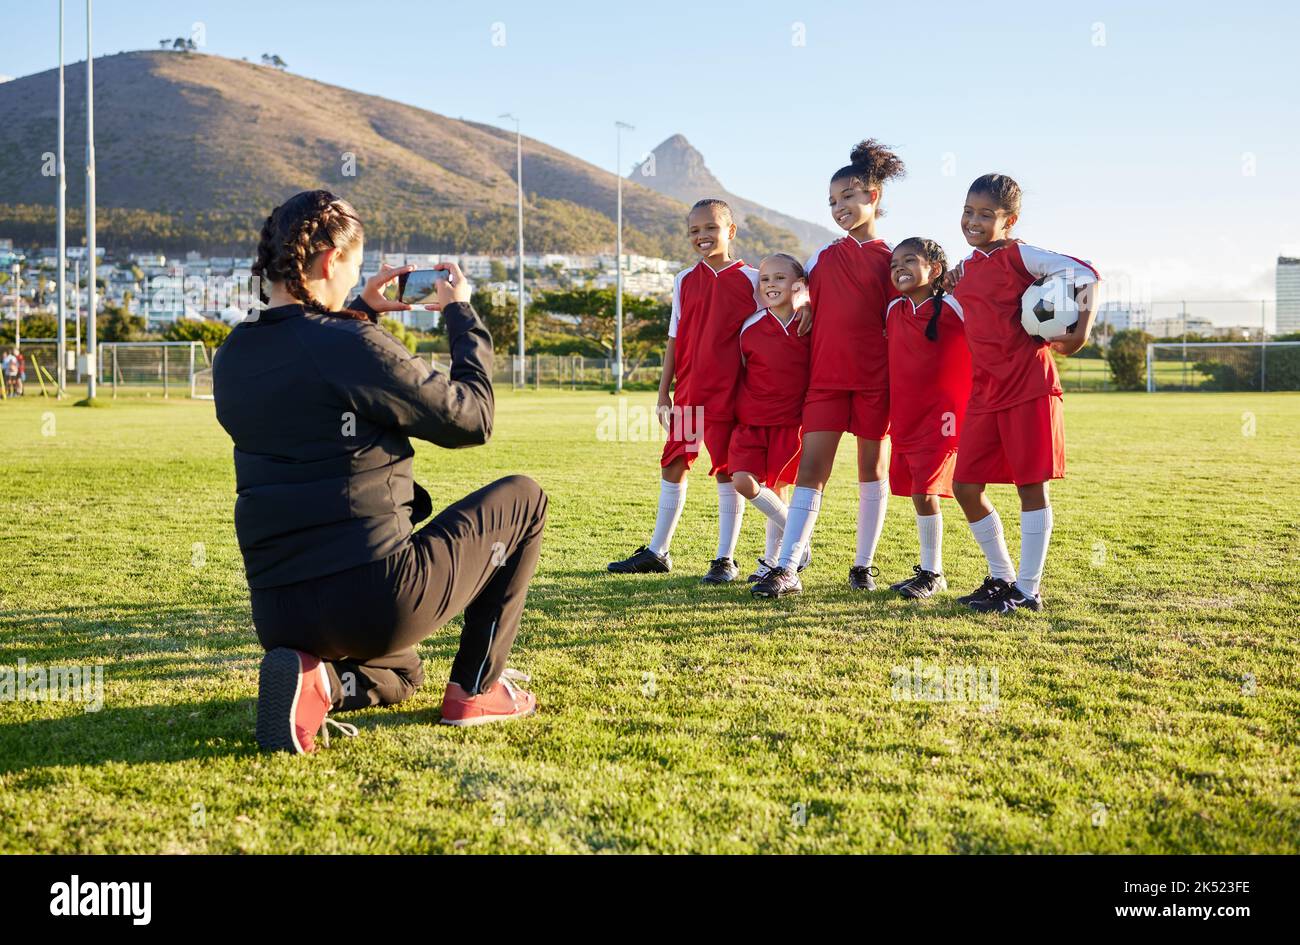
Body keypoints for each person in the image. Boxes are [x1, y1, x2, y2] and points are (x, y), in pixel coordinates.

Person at [212, 190, 548, 754]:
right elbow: (472, 417)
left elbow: (311, 381)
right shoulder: (348, 343)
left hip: (281, 613)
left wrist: (360, 311)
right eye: (352, 268)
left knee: (402, 674)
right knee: (525, 498)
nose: (352, 280)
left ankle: (315, 680)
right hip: (378, 596)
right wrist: (460, 315)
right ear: (326, 263)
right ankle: (476, 690)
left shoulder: (232, 356)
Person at [753, 140, 905, 598]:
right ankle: (787, 567)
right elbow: (800, 293)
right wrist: (803, 306)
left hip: (876, 381)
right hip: (826, 380)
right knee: (811, 471)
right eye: (833, 201)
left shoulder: (895, 257)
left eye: (848, 198)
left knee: (872, 471)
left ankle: (863, 566)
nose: (839, 208)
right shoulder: (823, 255)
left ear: (873, 197)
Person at [947, 173, 1099, 613]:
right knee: (965, 486)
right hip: (984, 393)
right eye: (968, 211)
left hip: (1030, 386)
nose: (973, 221)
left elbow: (1087, 274)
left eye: (986, 214)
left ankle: (1028, 590)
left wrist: (1079, 334)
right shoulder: (968, 268)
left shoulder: (1020, 257)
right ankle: (1001, 577)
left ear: (1009, 220)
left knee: (1030, 488)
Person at [607, 199, 760, 584]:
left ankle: (725, 559)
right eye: (694, 230)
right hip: (689, 394)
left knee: (726, 472)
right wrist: (663, 394)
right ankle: (658, 552)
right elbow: (675, 339)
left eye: (710, 228)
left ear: (731, 231)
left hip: (730, 394)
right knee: (673, 464)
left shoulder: (754, 279)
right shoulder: (683, 280)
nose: (702, 236)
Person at [882, 237, 971, 599]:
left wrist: (960, 278)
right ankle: (930, 570)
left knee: (926, 488)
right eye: (893, 264)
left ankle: (933, 573)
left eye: (908, 261)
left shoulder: (954, 306)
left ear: (934, 270)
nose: (898, 268)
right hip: (906, 415)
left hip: (945, 416)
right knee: (918, 492)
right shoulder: (893, 310)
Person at [729, 254, 813, 583]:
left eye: (779, 278)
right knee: (743, 481)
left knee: (779, 489)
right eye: (765, 279)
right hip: (751, 421)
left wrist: (807, 303)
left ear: (798, 285)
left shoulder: (810, 323)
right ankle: (799, 541)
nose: (771, 284)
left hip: (791, 422)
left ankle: (772, 561)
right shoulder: (749, 326)